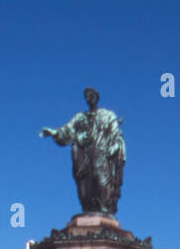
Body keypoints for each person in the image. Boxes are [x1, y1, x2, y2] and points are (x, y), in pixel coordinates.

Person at [40, 87, 125, 216]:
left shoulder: (108, 115)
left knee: (102, 180)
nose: (89, 98)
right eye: (87, 96)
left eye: (92, 95)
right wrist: (54, 133)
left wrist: (115, 146)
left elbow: (116, 133)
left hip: (101, 155)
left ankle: (104, 209)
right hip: (84, 157)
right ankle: (88, 209)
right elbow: (67, 130)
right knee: (85, 187)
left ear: (97, 97)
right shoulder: (80, 118)